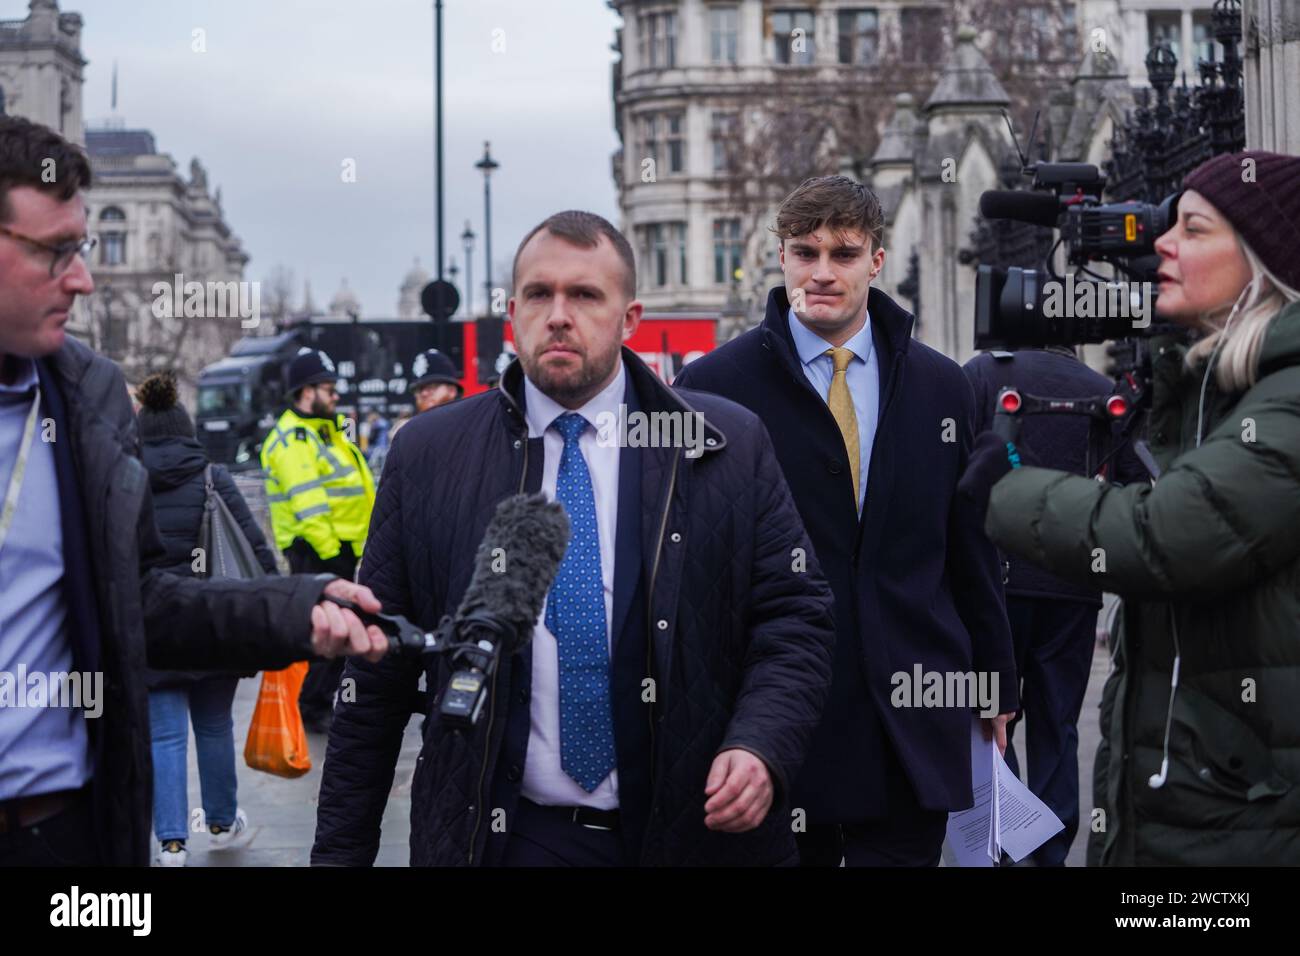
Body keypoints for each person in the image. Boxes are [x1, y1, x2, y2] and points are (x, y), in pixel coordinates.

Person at [312, 210, 836, 867]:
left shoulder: (724, 444)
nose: (559, 315)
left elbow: (797, 617)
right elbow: (375, 672)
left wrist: (761, 744)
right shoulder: (428, 455)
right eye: (539, 294)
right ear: (511, 314)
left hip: (692, 837)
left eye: (585, 295)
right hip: (506, 840)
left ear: (630, 317)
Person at [0, 114, 388, 867]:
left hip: (61, 837)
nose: (82, 278)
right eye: (55, 253)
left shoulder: (86, 396)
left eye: (82, 248)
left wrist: (292, 607)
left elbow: (140, 601)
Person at [967, 150, 1300, 865]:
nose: (1162, 245)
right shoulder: (1221, 384)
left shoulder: (1288, 397)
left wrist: (1001, 486)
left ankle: (1020, 849)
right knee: (1055, 721)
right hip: (1199, 804)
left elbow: (1164, 531)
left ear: (1263, 259)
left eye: (1193, 229)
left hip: (1245, 824)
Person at [675, 176, 1018, 867]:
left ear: (877, 260)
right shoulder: (711, 389)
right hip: (771, 724)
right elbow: (689, 566)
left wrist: (998, 680)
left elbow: (970, 545)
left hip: (911, 722)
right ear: (781, 258)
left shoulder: (943, 385)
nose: (823, 272)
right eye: (805, 253)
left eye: (844, 252)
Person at [963, 346, 1145, 865]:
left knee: (990, 726)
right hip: (1071, 583)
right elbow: (1135, 485)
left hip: (992, 586)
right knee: (1058, 725)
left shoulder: (982, 373)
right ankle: (1048, 852)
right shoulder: (1099, 386)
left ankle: (1002, 846)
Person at [135, 371, 281, 866]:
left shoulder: (127, 478)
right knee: (215, 725)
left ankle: (172, 841)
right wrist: (276, 600)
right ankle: (220, 819)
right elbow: (252, 543)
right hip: (212, 617)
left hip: (153, 622)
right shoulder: (212, 476)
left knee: (165, 735)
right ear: (187, 430)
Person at [260, 348, 376, 734]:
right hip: (319, 551)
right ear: (306, 392)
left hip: (342, 547)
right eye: (328, 388)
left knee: (341, 631)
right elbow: (309, 506)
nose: (335, 395)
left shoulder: (325, 430)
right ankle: (312, 708)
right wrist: (335, 555)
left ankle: (324, 702)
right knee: (329, 633)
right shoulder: (293, 440)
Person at [387, 347, 462, 448]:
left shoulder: (469, 426)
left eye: (432, 387)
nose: (424, 393)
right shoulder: (408, 430)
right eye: (419, 389)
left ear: (452, 390)